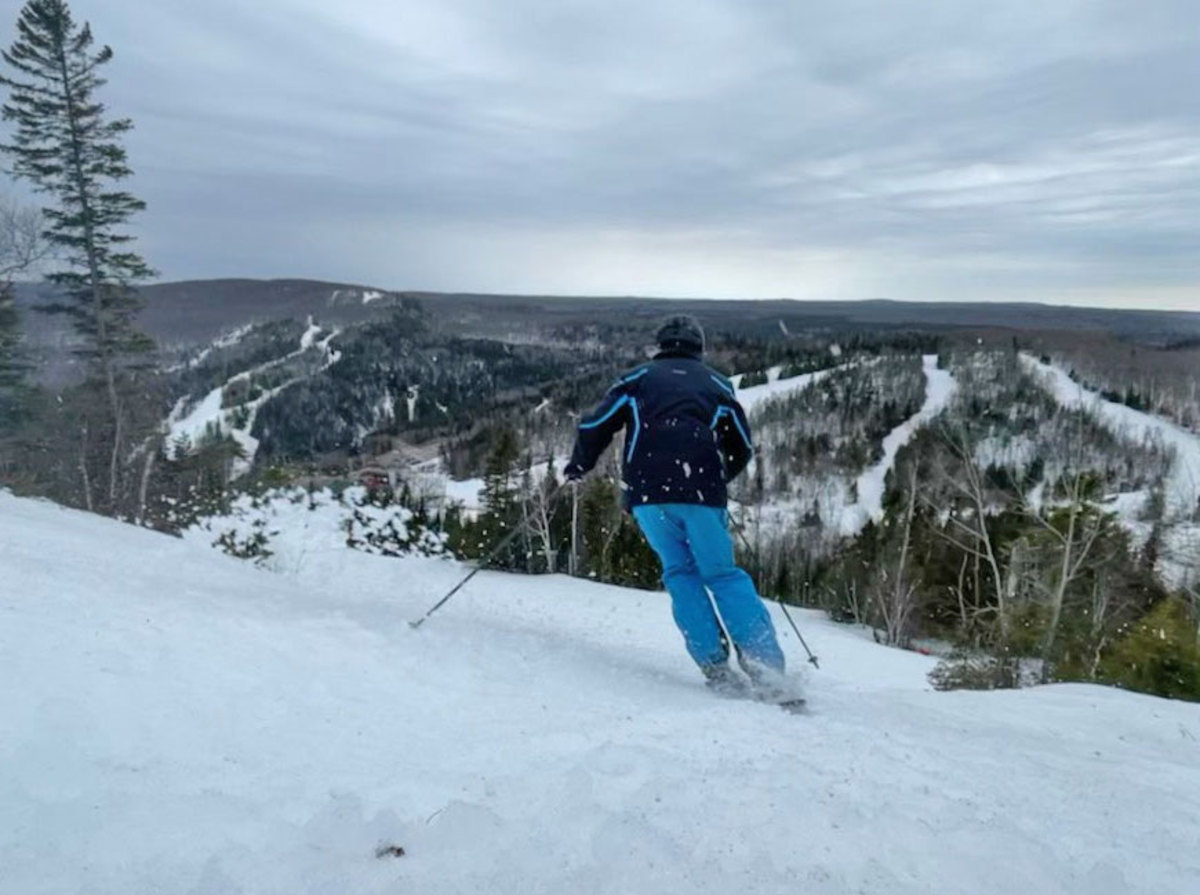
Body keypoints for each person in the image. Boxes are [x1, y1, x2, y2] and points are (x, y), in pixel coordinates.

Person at [563, 314, 786, 693]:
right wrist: (716, 481)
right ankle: (766, 669)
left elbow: (593, 425)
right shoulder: (716, 384)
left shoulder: (636, 380)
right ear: (698, 347)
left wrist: (578, 467)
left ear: (661, 345)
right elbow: (742, 447)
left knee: (681, 574)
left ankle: (715, 667)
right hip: (701, 494)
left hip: (647, 496)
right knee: (722, 575)